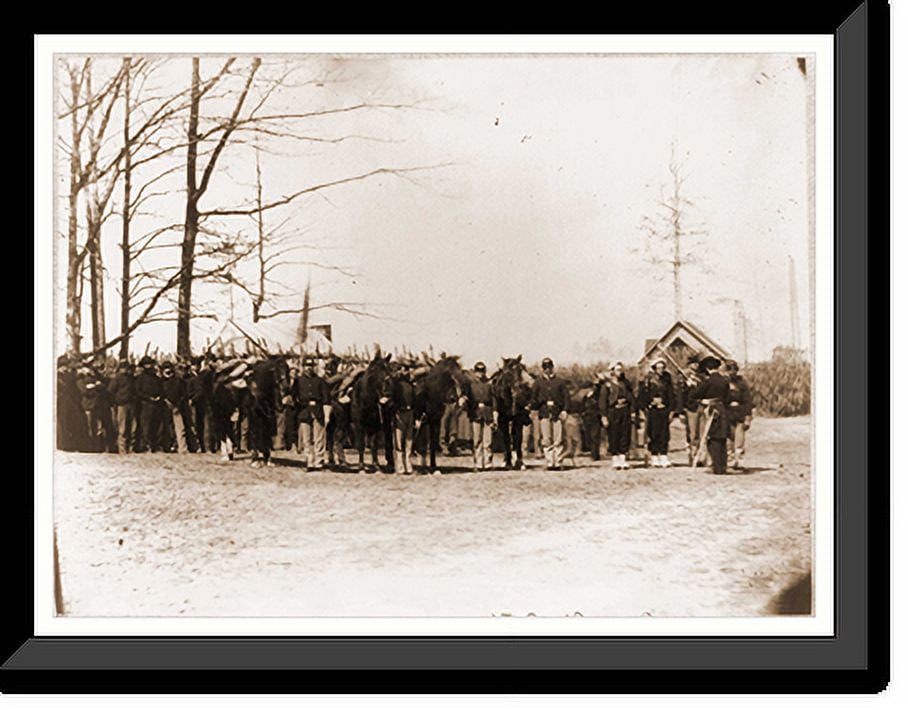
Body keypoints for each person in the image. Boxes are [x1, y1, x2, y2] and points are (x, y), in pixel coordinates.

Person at [690, 356, 731, 474]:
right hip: (722, 410)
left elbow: (694, 395)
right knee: (722, 437)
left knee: (712, 438)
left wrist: (694, 387)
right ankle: (723, 466)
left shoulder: (707, 382)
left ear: (707, 368)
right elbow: (727, 398)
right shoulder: (724, 380)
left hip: (711, 411)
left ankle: (716, 467)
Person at [530, 357, 569, 470]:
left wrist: (565, 410)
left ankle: (558, 462)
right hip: (544, 413)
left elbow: (566, 397)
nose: (547, 370)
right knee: (546, 439)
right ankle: (549, 461)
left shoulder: (560, 382)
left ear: (552, 367)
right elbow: (534, 398)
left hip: (557, 412)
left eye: (549, 367)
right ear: (543, 369)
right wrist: (533, 406)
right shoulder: (538, 382)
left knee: (558, 438)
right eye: (545, 368)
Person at [294, 357, 331, 471]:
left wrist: (327, 415)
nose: (308, 368)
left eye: (310, 366)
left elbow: (326, 399)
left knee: (319, 438)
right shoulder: (298, 381)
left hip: (318, 410)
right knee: (306, 439)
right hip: (304, 411)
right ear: (303, 367)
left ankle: (319, 462)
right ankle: (309, 461)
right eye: (306, 366)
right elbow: (293, 395)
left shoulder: (320, 381)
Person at [639, 358, 675, 468]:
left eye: (662, 367)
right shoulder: (648, 379)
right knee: (653, 433)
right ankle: (654, 456)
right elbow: (643, 395)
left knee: (664, 433)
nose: (661, 369)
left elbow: (671, 394)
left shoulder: (667, 378)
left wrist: (671, 409)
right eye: (658, 367)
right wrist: (649, 403)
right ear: (654, 368)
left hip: (664, 409)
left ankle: (663, 455)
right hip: (653, 410)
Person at [465, 361, 497, 471]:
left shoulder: (489, 385)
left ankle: (488, 463)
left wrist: (494, 415)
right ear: (475, 372)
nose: (480, 374)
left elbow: (494, 401)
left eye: (482, 371)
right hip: (476, 413)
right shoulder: (471, 385)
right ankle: (478, 463)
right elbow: (467, 399)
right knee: (477, 440)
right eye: (478, 371)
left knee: (488, 441)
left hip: (488, 413)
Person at [603, 361, 635, 469]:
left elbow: (632, 398)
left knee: (625, 434)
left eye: (621, 370)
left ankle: (623, 458)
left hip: (625, 411)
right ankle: (615, 458)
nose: (619, 372)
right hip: (613, 412)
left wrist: (633, 411)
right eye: (617, 370)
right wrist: (604, 416)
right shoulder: (607, 385)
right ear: (612, 371)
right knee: (614, 434)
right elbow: (603, 402)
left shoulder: (626, 383)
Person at [724, 359, 754, 468]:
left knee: (739, 436)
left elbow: (748, 400)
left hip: (740, 411)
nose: (732, 372)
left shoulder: (742, 383)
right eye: (729, 370)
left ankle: (739, 458)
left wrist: (748, 415)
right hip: (727, 411)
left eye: (734, 370)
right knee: (729, 436)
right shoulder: (723, 382)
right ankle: (729, 457)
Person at [676, 355, 704, 466]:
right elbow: (680, 395)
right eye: (693, 363)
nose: (695, 365)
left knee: (702, 433)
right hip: (690, 408)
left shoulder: (702, 377)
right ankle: (692, 456)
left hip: (702, 407)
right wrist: (680, 411)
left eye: (697, 363)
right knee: (692, 434)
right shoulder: (683, 377)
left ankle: (700, 456)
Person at [390, 358, 418, 473]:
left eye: (407, 369)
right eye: (404, 369)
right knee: (398, 441)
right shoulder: (396, 385)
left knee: (409, 440)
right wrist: (395, 412)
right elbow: (392, 400)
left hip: (410, 412)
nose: (406, 372)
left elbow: (414, 401)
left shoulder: (410, 385)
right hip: (399, 413)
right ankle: (400, 466)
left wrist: (415, 416)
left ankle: (408, 465)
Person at [161, 361, 191, 454]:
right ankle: (168, 446)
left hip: (177, 407)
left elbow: (183, 394)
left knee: (180, 428)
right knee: (166, 428)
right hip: (164, 408)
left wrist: (177, 405)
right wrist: (166, 401)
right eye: (165, 369)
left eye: (169, 369)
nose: (168, 372)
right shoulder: (160, 382)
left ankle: (182, 447)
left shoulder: (179, 381)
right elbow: (160, 394)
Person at [109, 360, 136, 454]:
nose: (125, 369)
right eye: (123, 367)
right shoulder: (116, 379)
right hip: (121, 405)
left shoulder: (131, 378)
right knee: (122, 428)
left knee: (132, 428)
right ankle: (122, 449)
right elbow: (110, 392)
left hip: (131, 404)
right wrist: (116, 402)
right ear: (120, 369)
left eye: (126, 367)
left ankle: (130, 448)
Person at [581, 371, 606, 461]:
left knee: (595, 435)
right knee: (589, 435)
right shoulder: (587, 392)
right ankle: (593, 452)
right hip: (587, 415)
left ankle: (595, 454)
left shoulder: (599, 390)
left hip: (595, 415)